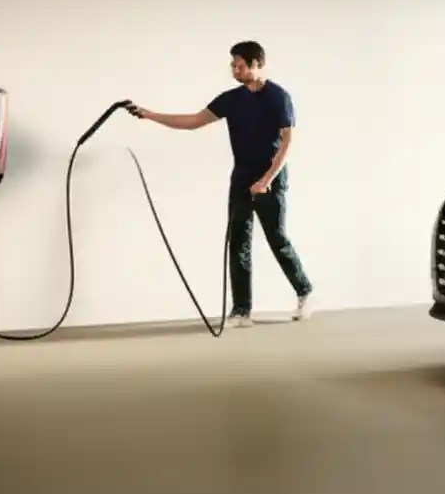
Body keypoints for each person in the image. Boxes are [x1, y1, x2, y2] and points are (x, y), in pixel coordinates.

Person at [126, 41, 312, 328]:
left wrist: (266, 180)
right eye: (233, 66)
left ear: (256, 65)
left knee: (276, 238)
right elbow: (193, 121)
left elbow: (288, 142)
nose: (235, 70)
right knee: (238, 240)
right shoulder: (231, 99)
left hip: (270, 177)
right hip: (241, 176)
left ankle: (304, 291)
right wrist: (149, 114)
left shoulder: (278, 97)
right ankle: (241, 311)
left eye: (240, 65)